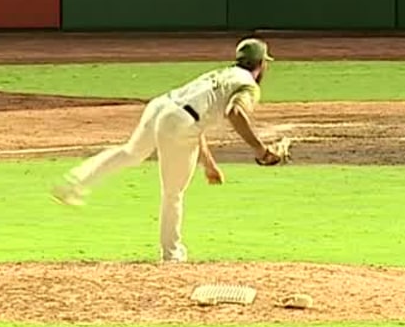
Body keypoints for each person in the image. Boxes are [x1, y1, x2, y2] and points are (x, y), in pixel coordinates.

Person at [52, 39, 289, 263]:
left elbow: (199, 117)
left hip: (161, 106)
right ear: (260, 65)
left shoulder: (221, 74)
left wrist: (208, 163)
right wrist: (260, 150)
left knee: (130, 153)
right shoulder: (247, 85)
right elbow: (234, 113)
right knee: (173, 192)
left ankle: (73, 183)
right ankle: (172, 254)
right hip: (179, 122)